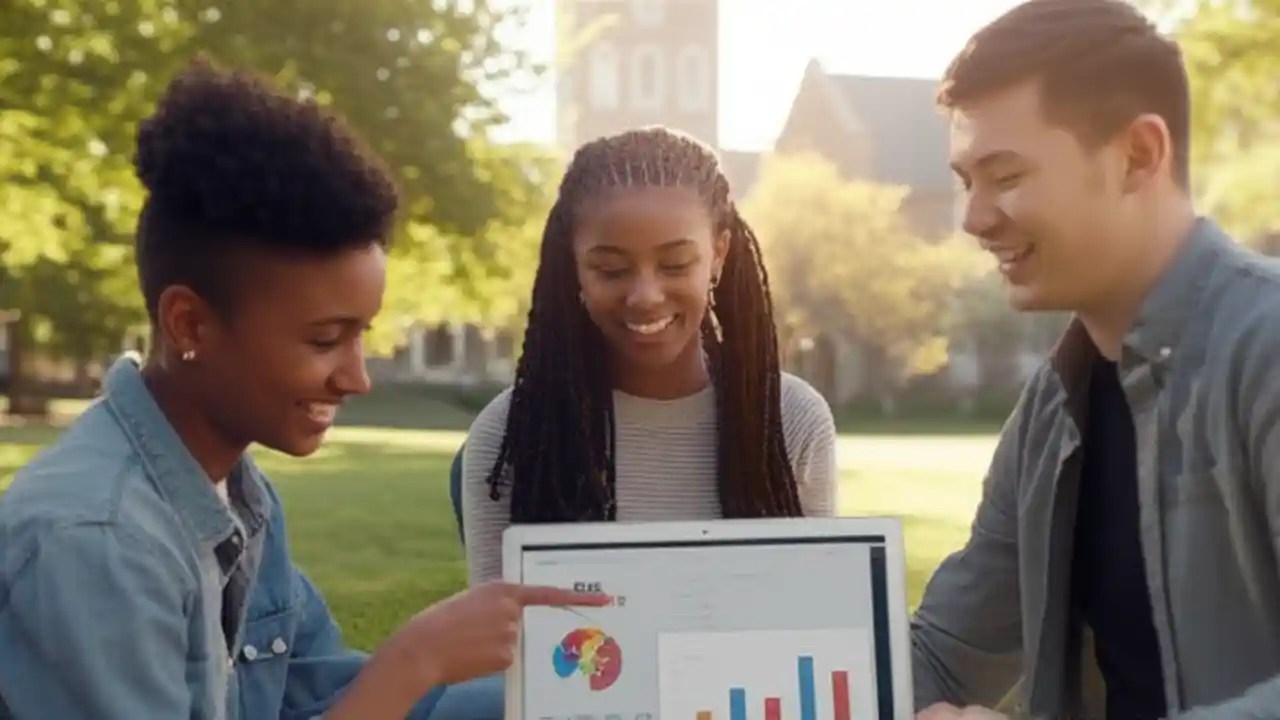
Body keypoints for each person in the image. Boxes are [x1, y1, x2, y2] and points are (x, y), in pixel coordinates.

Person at [0, 59, 606, 720]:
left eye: (362, 335)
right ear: (190, 323)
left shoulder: (236, 492)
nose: (358, 377)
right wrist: (415, 659)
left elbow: (328, 698)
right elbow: (386, 694)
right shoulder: (96, 542)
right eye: (325, 340)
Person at [911, 1, 1280, 718]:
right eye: (965, 181)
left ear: (1139, 154)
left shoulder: (1265, 350)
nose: (974, 219)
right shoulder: (1055, 406)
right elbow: (944, 653)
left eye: (1006, 175)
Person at [460, 126, 838, 584]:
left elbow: (818, 616)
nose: (645, 296)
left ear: (718, 253)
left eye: (676, 265)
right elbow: (502, 647)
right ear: (573, 266)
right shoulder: (512, 432)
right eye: (611, 269)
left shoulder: (790, 420)